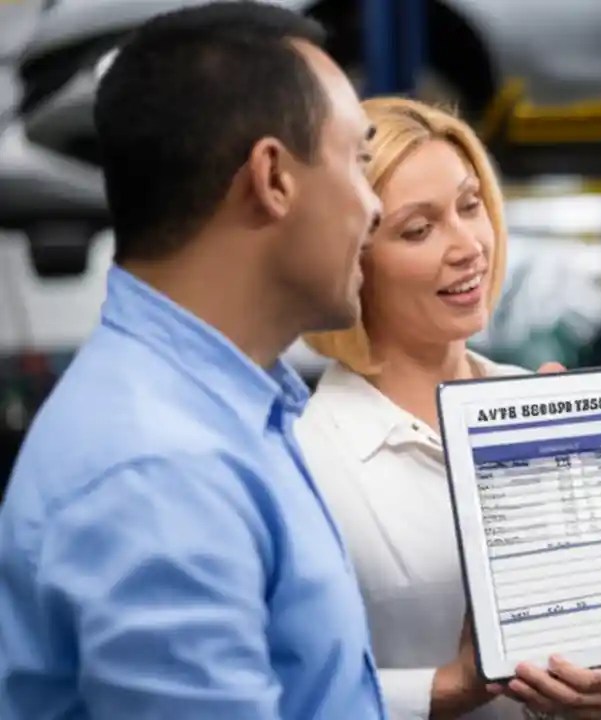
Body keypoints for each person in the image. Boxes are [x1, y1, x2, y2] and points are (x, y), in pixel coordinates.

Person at [0, 3, 387, 718]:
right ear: (272, 177)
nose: (376, 208)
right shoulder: (161, 471)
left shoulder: (223, 417)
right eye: (359, 160)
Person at [293, 96, 601, 720]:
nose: (469, 244)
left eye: (470, 206)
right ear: (349, 266)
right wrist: (448, 688)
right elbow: (279, 691)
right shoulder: (306, 458)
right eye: (420, 229)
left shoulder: (549, 403)